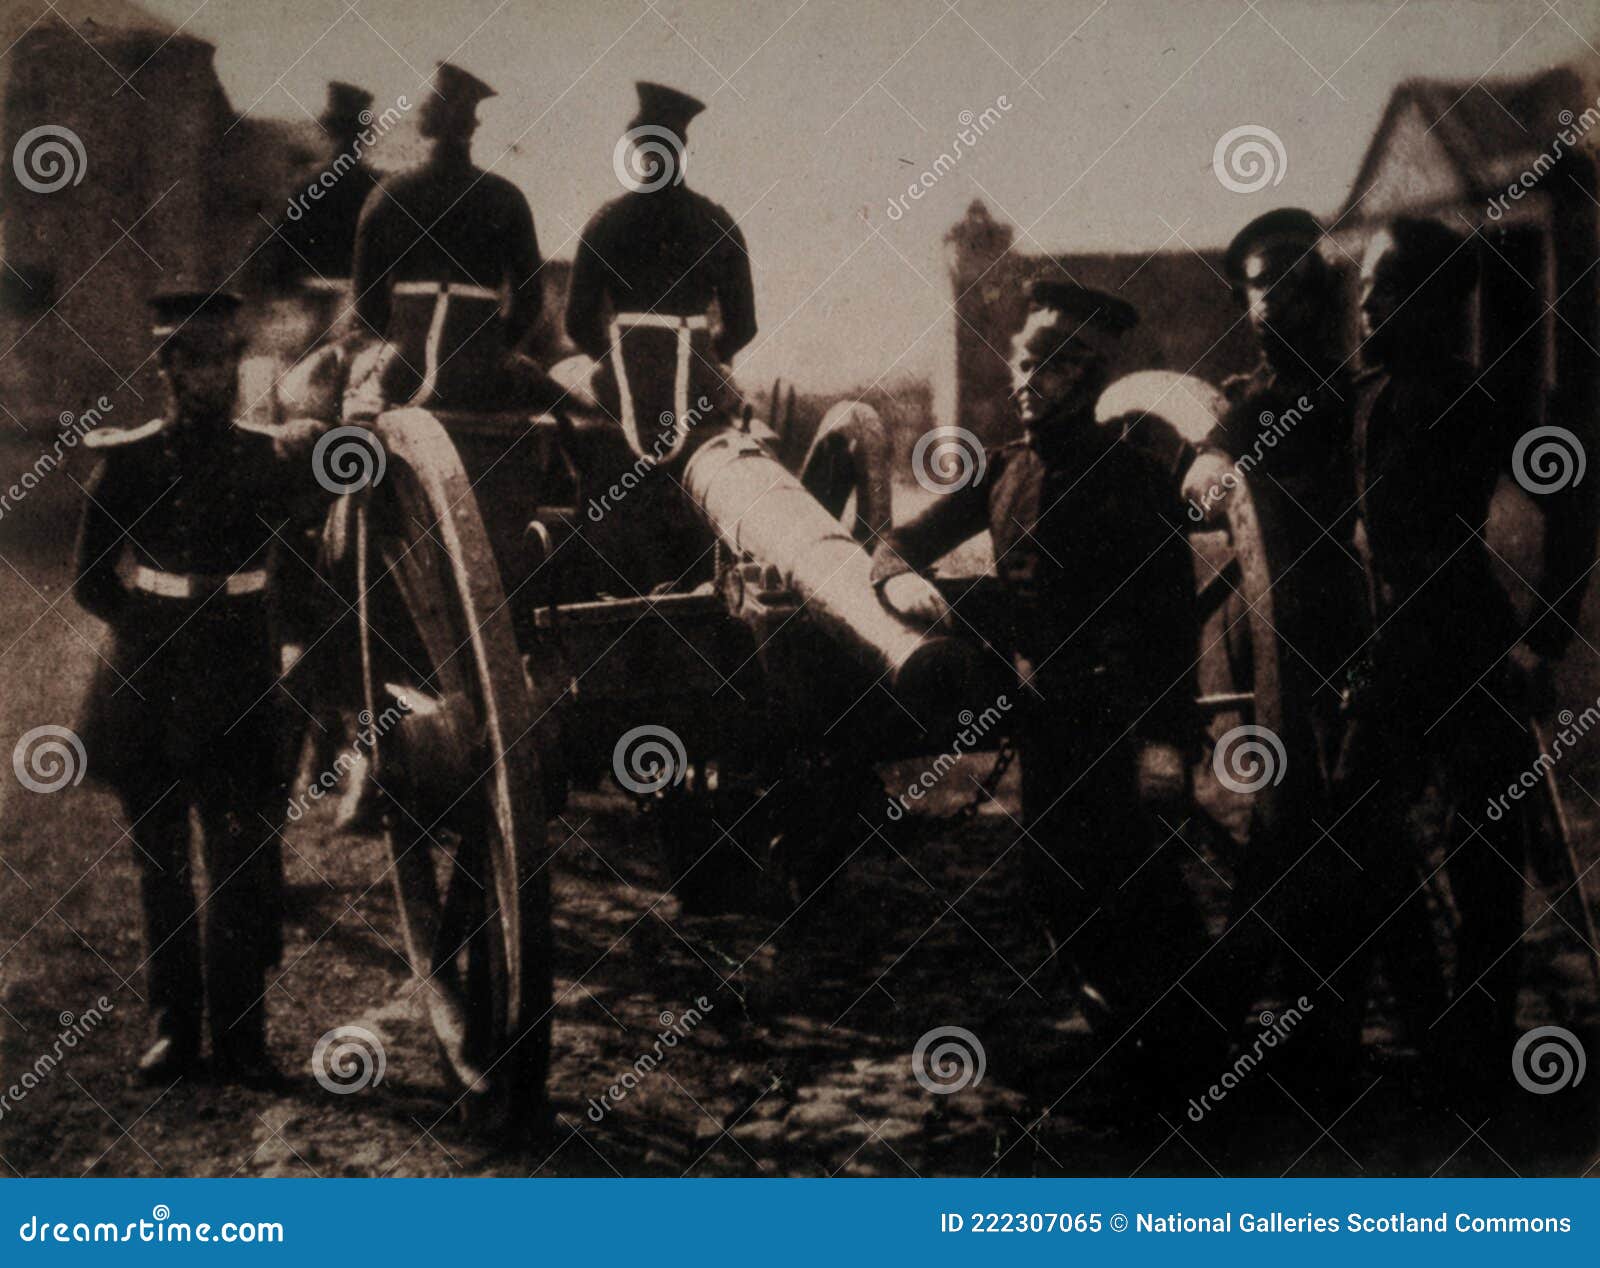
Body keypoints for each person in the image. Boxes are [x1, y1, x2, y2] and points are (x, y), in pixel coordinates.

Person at [869, 281, 1217, 1090]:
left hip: (1116, 722)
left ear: (1088, 376)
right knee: (1056, 883)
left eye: (1051, 365)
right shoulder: (1003, 470)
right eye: (1023, 363)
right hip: (1045, 716)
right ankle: (1137, 1049)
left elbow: (1170, 624)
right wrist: (899, 580)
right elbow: (897, 543)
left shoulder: (1137, 481)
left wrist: (1165, 744)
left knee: (1135, 884)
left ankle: (1185, 1058)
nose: (1028, 380)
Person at [1331, 217, 1595, 1105]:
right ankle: (1430, 1024)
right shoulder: (1365, 398)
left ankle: (1477, 1059)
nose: (1368, 301)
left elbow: (1578, 515)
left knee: (1483, 854)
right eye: (1368, 284)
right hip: (1395, 653)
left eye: (1389, 285)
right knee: (1356, 828)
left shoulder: (1488, 402)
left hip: (1474, 652)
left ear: (1434, 303)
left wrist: (1542, 639)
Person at [74, 287, 325, 1086]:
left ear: (237, 367)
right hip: (146, 684)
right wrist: (151, 632)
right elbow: (90, 580)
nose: (209, 376)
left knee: (241, 863)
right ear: (168, 368)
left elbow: (309, 560)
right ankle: (174, 1033)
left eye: (222, 361)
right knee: (161, 867)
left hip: (241, 676)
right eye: (192, 361)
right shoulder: (130, 458)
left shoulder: (269, 458)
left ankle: (243, 1042)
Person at [562, 81, 757, 592]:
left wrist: (617, 361)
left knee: (572, 418)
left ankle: (598, 579)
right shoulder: (717, 222)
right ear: (683, 149)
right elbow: (744, 325)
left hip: (621, 389)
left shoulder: (606, 221)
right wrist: (707, 360)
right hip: (697, 387)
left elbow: (576, 322)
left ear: (635, 148)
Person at [344, 61, 557, 418]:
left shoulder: (389, 193)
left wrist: (401, 338)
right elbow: (530, 303)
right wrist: (491, 348)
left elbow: (366, 305)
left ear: (430, 119)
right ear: (473, 125)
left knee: (345, 392)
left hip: (402, 374)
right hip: (478, 378)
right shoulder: (507, 196)